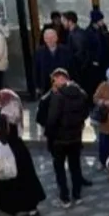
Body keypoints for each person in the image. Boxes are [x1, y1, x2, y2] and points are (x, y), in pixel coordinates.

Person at [0, 89, 46, 216]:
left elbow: (3, 137)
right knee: (25, 178)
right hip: (20, 149)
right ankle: (31, 207)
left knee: (4, 176)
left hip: (8, 151)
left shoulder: (3, 116)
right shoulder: (17, 111)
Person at [44, 69, 91, 208]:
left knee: (59, 168)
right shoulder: (81, 93)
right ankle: (77, 195)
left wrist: (48, 134)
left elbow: (52, 119)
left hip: (59, 139)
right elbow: (86, 113)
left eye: (55, 79)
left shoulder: (57, 96)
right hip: (75, 137)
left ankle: (64, 197)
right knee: (75, 166)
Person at [33, 28, 74, 97]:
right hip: (46, 85)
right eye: (47, 38)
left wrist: (71, 82)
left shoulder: (65, 50)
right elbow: (36, 69)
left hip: (63, 84)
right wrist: (37, 86)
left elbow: (72, 68)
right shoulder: (39, 52)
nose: (50, 40)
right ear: (44, 39)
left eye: (52, 38)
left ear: (56, 38)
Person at [63, 11, 98, 92]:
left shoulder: (77, 35)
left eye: (64, 21)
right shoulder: (73, 33)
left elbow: (80, 53)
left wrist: (75, 67)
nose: (63, 23)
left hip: (80, 70)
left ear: (70, 21)